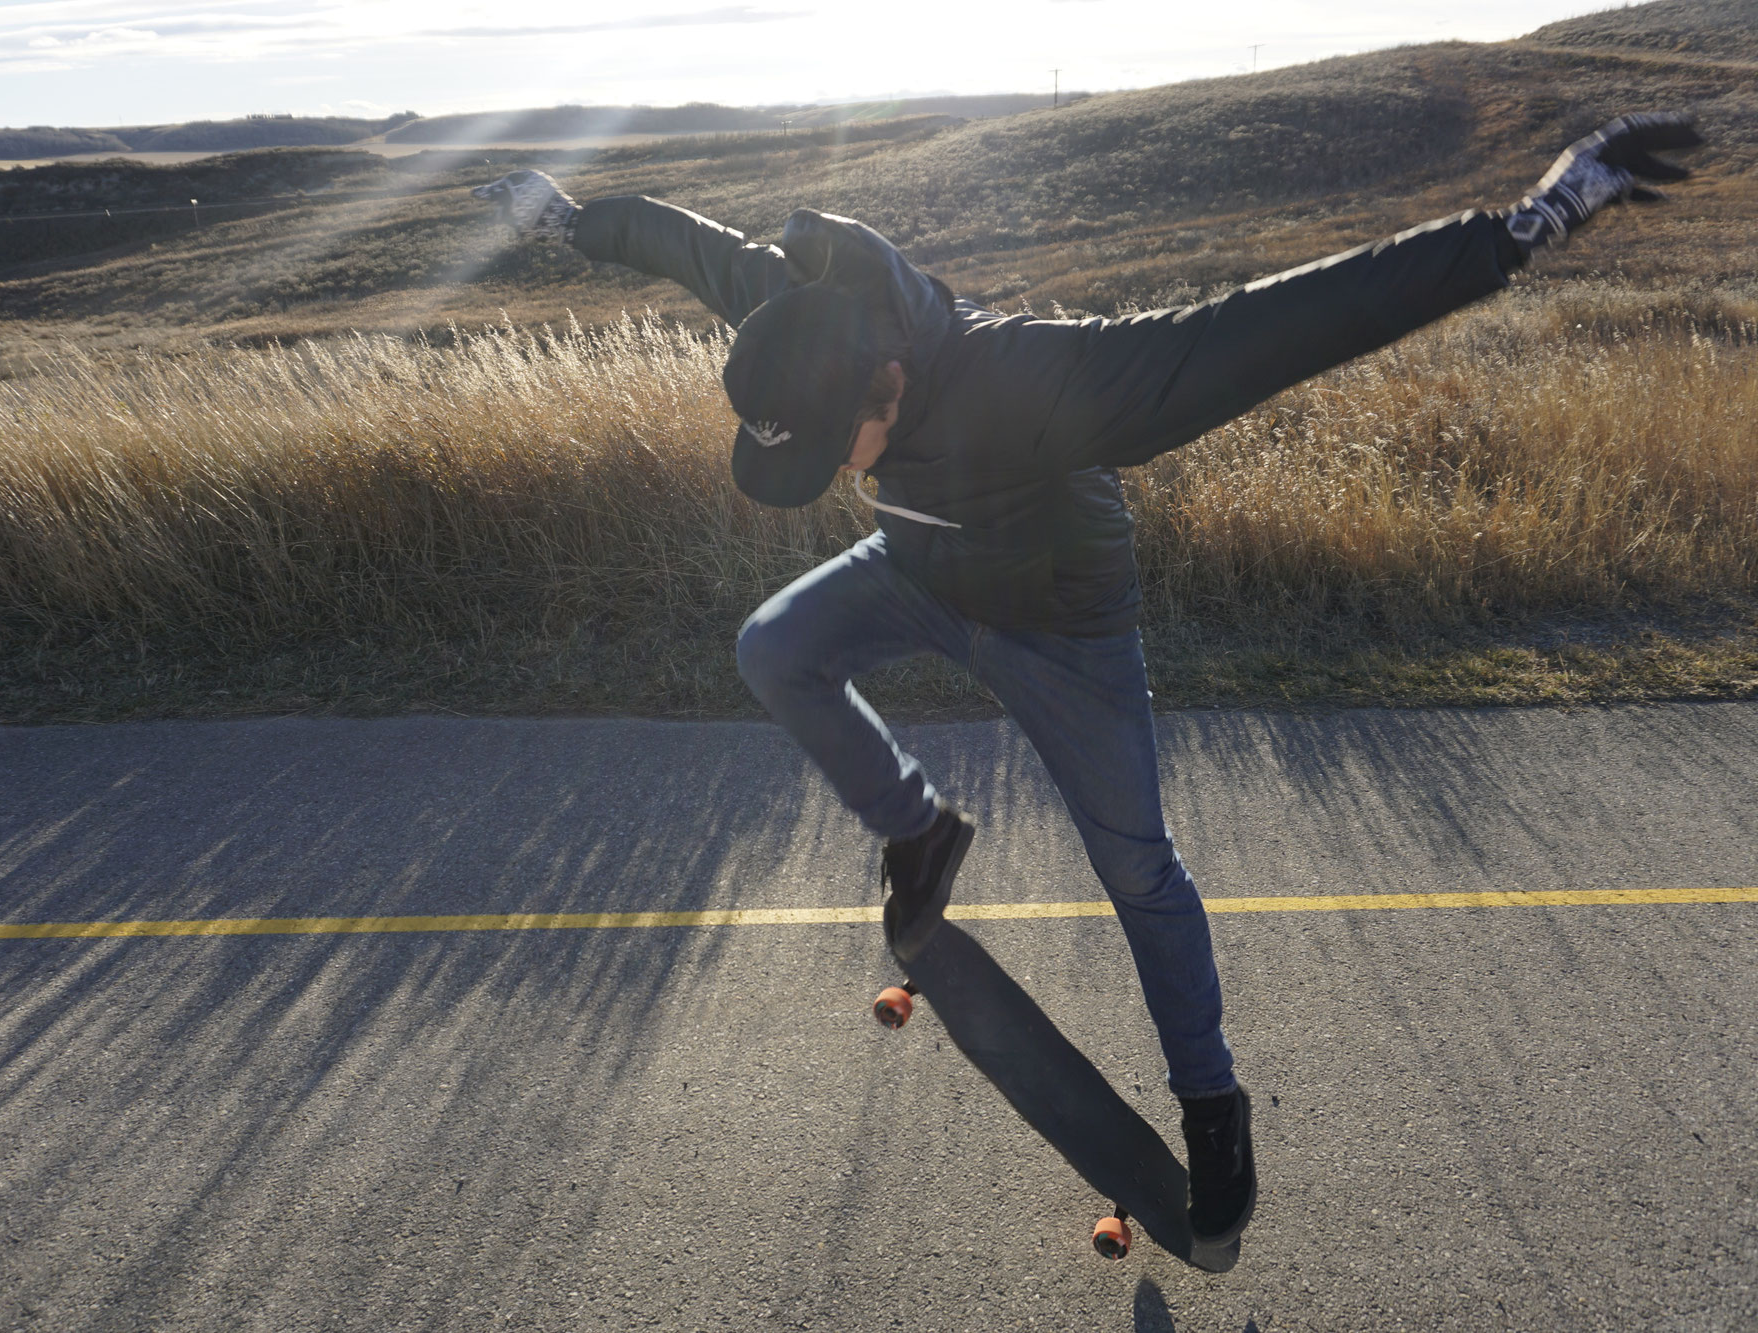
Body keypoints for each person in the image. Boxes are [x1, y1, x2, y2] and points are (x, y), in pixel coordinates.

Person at [472, 113, 1700, 1249]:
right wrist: (568, 219)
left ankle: (1211, 1106)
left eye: (840, 448)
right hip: (921, 574)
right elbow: (690, 245)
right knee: (772, 645)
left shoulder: (1029, 381)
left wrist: (1521, 230)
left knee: (1137, 870)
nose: (837, 470)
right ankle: (917, 829)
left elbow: (1264, 331)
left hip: (1061, 630)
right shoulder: (798, 328)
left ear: (883, 382)